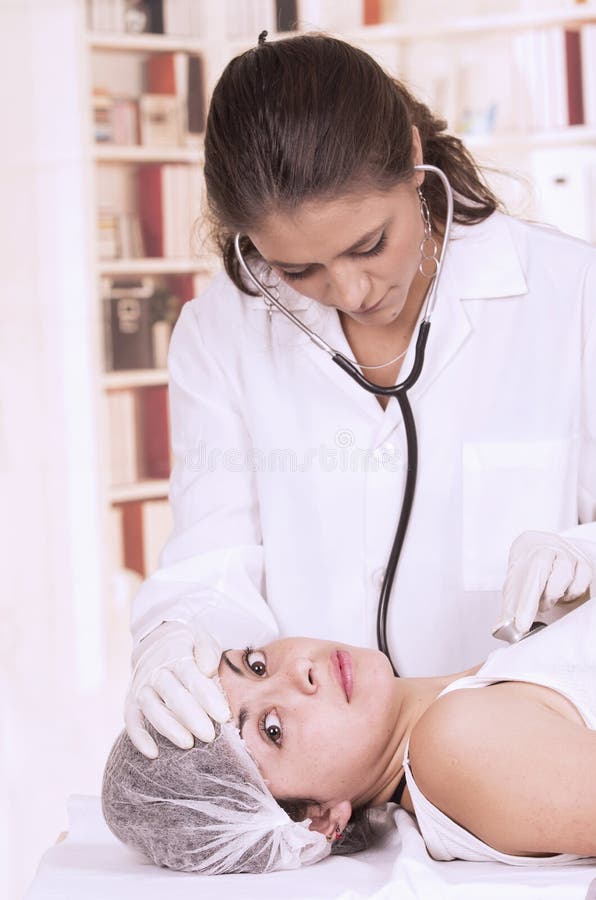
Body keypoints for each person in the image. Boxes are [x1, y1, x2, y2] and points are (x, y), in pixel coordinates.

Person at [124, 33, 596, 761]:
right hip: (329, 789)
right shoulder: (220, 333)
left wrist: (582, 553)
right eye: (298, 269)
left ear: (414, 163)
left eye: (370, 244)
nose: (349, 292)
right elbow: (212, 559)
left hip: (520, 761)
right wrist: (176, 637)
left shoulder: (573, 295)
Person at [104, 597, 596, 872]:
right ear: (319, 820)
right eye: (273, 729)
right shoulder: (456, 745)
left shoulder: (472, 696)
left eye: (256, 664)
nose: (300, 670)